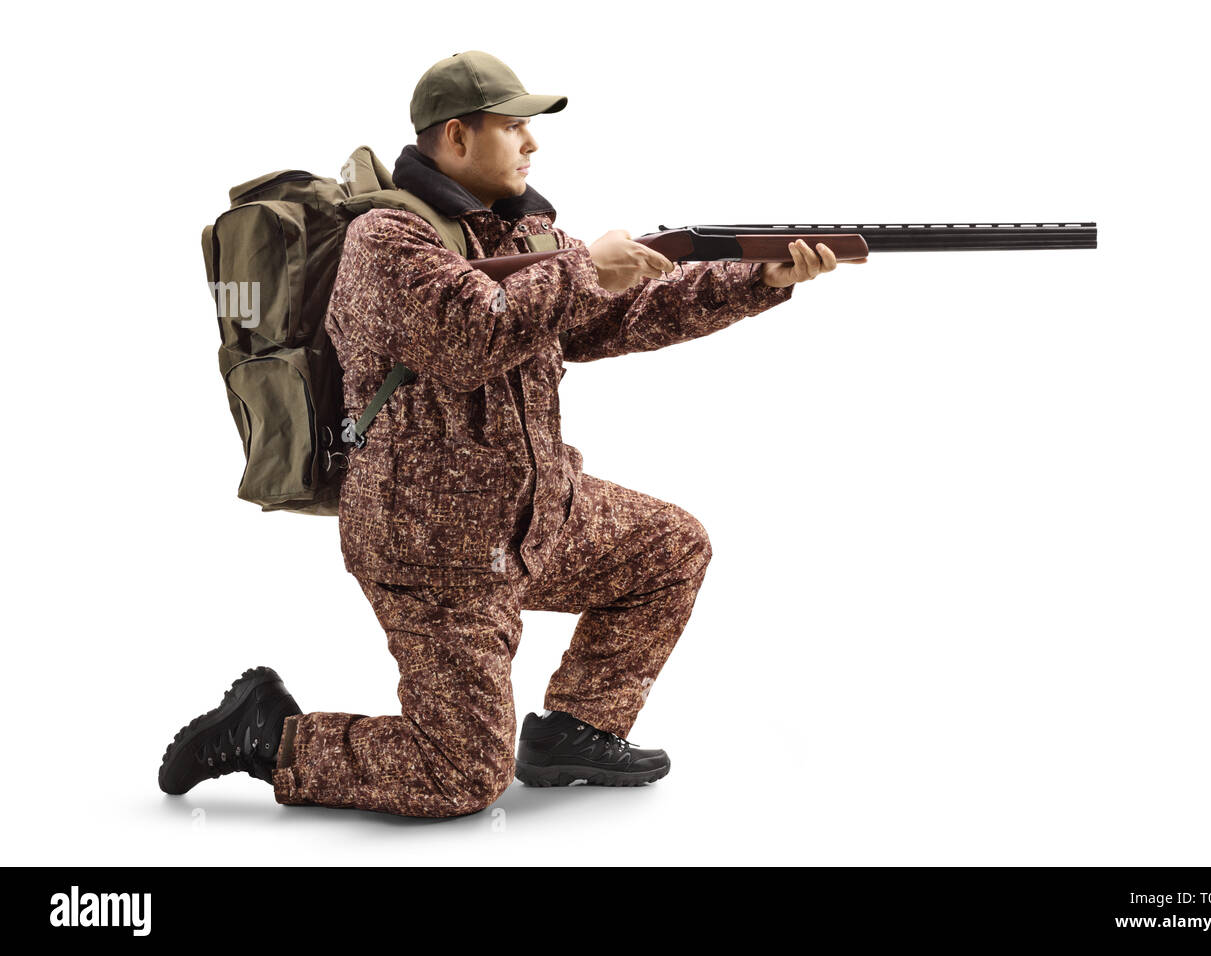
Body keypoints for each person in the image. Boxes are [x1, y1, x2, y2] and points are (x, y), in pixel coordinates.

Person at [159, 51, 855, 817]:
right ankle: (271, 733)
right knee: (459, 777)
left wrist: (762, 279)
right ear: (455, 137)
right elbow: (471, 332)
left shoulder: (521, 234)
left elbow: (616, 313)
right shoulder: (385, 243)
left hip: (530, 518)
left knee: (670, 549)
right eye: (514, 128)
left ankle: (574, 730)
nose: (532, 145)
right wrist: (586, 266)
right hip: (434, 549)